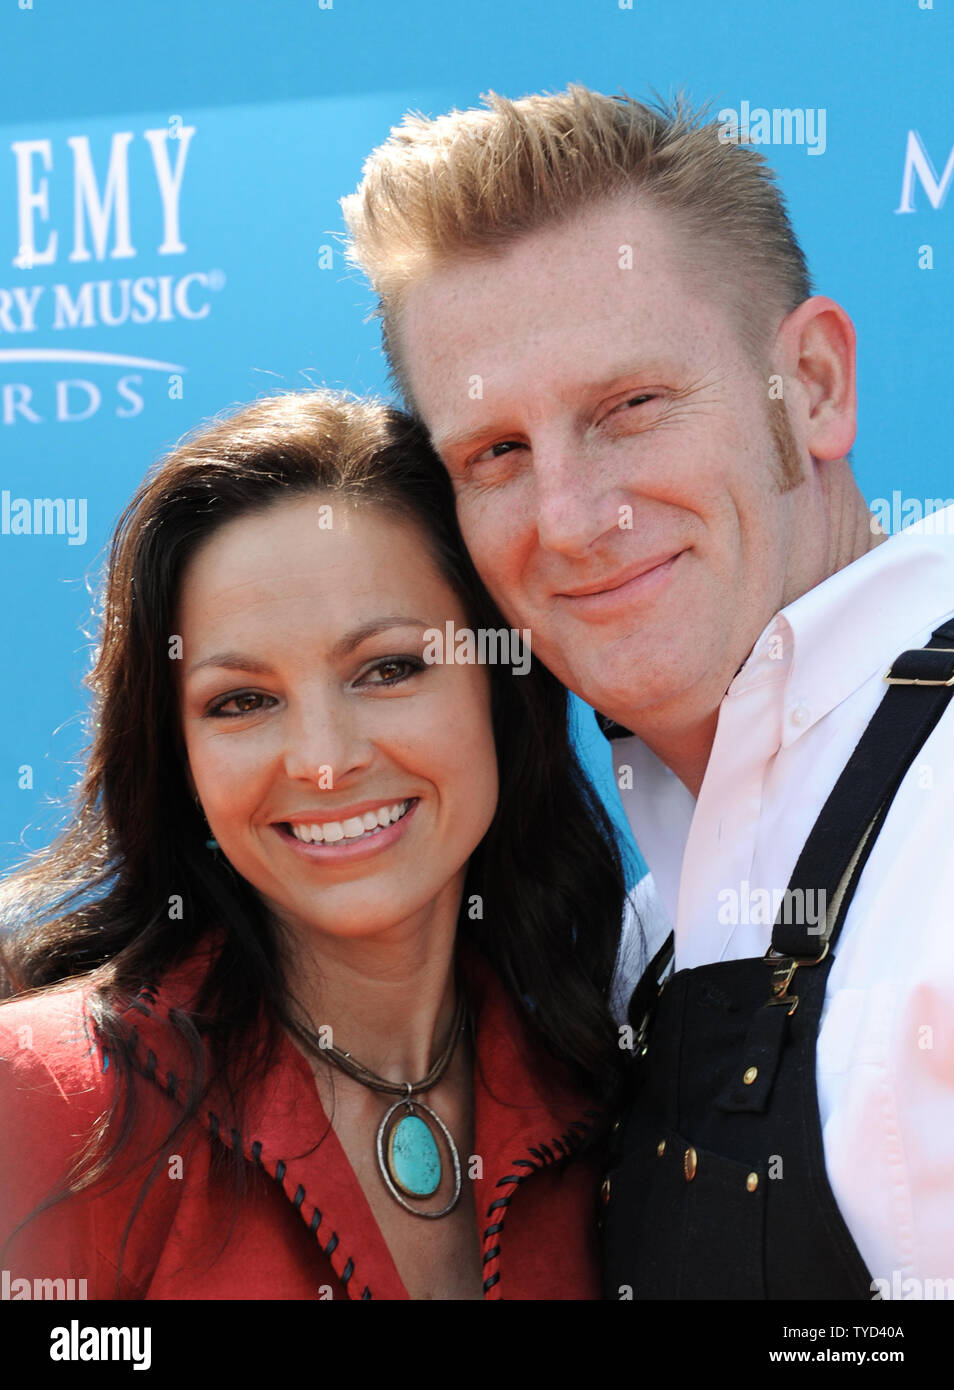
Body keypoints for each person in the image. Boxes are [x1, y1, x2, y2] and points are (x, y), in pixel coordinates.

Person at [340, 86, 954, 1298]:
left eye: (630, 407)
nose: (570, 521)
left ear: (815, 385)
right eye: (497, 454)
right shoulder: (642, 925)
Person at [0, 389, 628, 1301]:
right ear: (179, 758)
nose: (326, 762)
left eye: (389, 669)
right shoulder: (46, 1103)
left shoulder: (610, 1095)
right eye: (242, 701)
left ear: (501, 687)